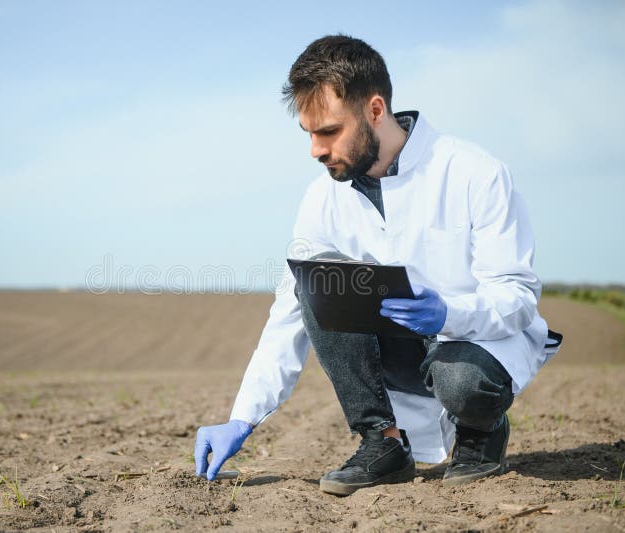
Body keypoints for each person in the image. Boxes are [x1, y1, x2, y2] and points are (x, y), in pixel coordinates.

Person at [194, 35, 562, 496]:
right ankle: (383, 442)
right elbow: (290, 311)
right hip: (401, 353)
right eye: (308, 134)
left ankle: (481, 431)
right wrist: (242, 417)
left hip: (476, 345)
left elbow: (518, 295)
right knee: (317, 280)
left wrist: (450, 313)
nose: (315, 149)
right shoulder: (321, 198)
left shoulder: (474, 172)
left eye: (328, 131)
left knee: (461, 379)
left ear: (374, 110)